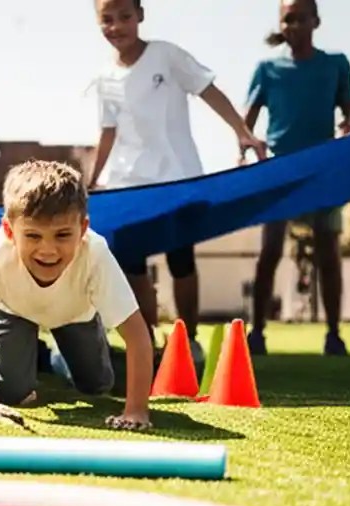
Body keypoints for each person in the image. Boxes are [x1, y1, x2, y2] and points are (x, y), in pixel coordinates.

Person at [88, 0, 268, 368]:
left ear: (140, 15)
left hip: (176, 179)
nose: (116, 26)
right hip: (128, 186)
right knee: (133, 265)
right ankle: (149, 341)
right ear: (98, 22)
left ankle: (188, 338)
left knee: (181, 260)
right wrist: (92, 181)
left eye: (124, 16)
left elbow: (209, 92)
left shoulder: (166, 56)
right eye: (107, 19)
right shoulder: (105, 77)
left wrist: (243, 132)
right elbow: (107, 134)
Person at [0, 160, 154, 431]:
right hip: (14, 311)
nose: (48, 250)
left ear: (82, 230)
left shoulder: (95, 253)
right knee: (13, 394)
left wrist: (136, 411)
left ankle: (57, 357)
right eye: (33, 236)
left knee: (97, 385)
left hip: (75, 314)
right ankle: (33, 353)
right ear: (10, 231)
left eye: (62, 235)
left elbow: (137, 335)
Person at [244, 0, 350, 356]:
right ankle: (257, 331)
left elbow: (348, 108)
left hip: (321, 169)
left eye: (300, 18)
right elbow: (247, 120)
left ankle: (334, 334)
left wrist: (348, 123)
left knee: (328, 250)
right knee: (270, 250)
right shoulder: (267, 68)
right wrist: (246, 146)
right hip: (279, 170)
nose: (293, 25)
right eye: (287, 19)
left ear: (316, 21)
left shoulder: (335, 64)